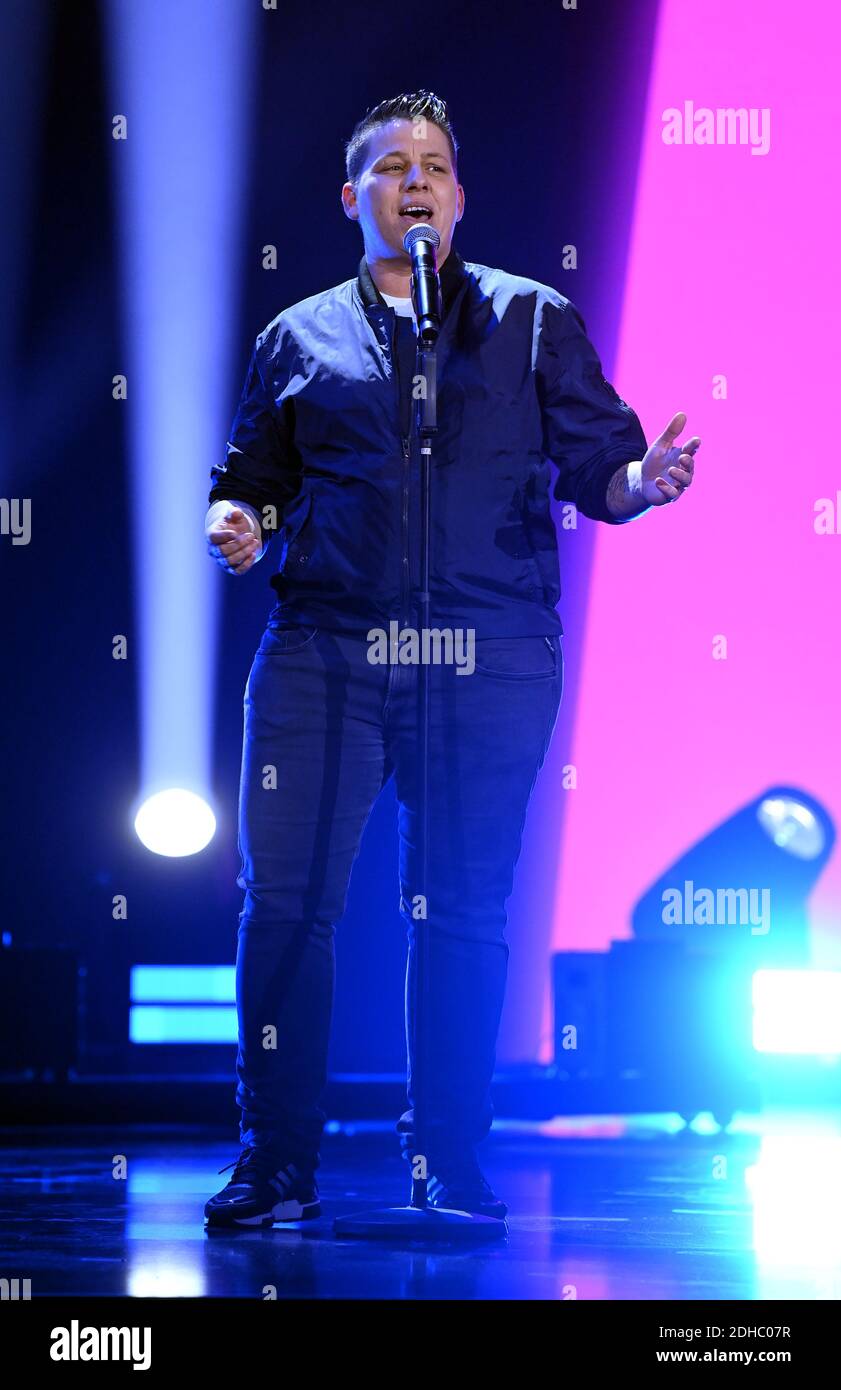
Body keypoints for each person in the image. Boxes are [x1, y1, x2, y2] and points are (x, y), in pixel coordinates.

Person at [202, 90, 699, 1228]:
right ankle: (274, 1157)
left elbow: (598, 470)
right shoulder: (298, 336)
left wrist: (640, 486)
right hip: (325, 649)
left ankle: (448, 1157)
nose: (412, 181)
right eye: (388, 166)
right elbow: (250, 482)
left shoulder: (530, 320)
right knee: (284, 905)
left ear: (459, 198)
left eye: (431, 165)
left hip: (489, 652)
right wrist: (235, 524)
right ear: (353, 198)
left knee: (465, 907)